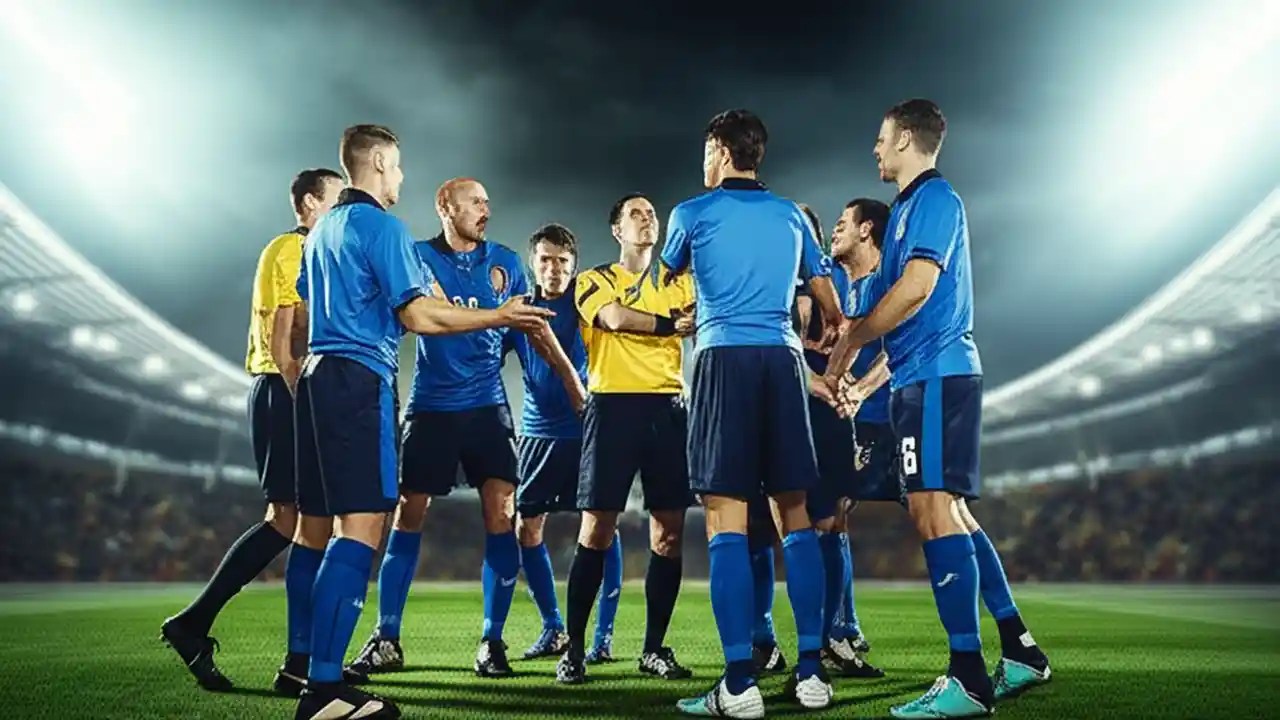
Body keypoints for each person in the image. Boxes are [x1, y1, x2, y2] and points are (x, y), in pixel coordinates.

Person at [291, 125, 553, 720]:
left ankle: (314, 671)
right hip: (361, 380)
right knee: (360, 531)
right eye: (399, 167)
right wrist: (496, 315)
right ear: (379, 163)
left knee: (333, 529)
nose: (401, 178)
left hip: (318, 378)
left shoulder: (322, 229)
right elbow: (416, 315)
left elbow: (307, 310)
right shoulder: (381, 227)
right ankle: (324, 692)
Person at [823, 99, 1052, 719]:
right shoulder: (903, 212)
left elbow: (918, 290)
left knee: (932, 515)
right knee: (954, 515)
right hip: (919, 378)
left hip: (937, 378)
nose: (875, 149)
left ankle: (968, 679)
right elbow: (888, 311)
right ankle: (1022, 651)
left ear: (904, 140)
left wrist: (852, 338)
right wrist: (859, 350)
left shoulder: (935, 201)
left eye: (880, 138)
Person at [349, 178, 585, 680]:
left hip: (487, 406)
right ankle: (387, 636)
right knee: (407, 515)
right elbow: (416, 318)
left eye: (487, 202)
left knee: (502, 515)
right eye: (475, 202)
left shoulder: (504, 261)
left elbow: (529, 331)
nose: (486, 209)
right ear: (445, 207)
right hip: (431, 406)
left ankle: (491, 641)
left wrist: (571, 385)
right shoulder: (414, 257)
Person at [668, 109, 846, 718]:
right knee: (794, 516)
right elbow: (829, 304)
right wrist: (820, 329)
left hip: (724, 362)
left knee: (726, 521)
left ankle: (740, 685)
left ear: (719, 150)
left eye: (705, 149)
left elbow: (667, 282)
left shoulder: (691, 212)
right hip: (782, 362)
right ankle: (811, 674)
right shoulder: (794, 215)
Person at [160, 167, 343, 693]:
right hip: (283, 391)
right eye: (335, 199)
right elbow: (286, 337)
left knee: (306, 524)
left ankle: (296, 662)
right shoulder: (292, 249)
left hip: (289, 391)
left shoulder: (309, 251)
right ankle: (198, 626)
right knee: (290, 521)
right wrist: (307, 401)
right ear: (310, 203)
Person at [554, 193, 696, 686]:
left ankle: (654, 649)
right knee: (596, 530)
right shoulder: (594, 280)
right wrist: (667, 326)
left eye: (652, 213)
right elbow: (612, 318)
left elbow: (701, 319)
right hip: (612, 407)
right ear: (617, 229)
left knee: (670, 533)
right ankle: (573, 649)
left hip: (667, 409)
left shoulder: (680, 282)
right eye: (635, 213)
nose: (647, 218)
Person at [503, 223, 623, 663]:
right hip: (537, 433)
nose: (554, 268)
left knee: (600, 530)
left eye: (562, 261)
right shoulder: (519, 311)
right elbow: (488, 355)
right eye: (546, 260)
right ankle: (553, 627)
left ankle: (602, 637)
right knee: (526, 528)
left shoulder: (586, 305)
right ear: (533, 263)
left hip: (587, 430)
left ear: (574, 267)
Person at [791, 203, 889, 679]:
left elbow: (850, 335)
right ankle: (782, 637)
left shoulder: (832, 278)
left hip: (827, 411)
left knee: (830, 521)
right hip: (797, 407)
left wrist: (843, 383)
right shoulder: (781, 280)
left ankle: (832, 633)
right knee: (787, 524)